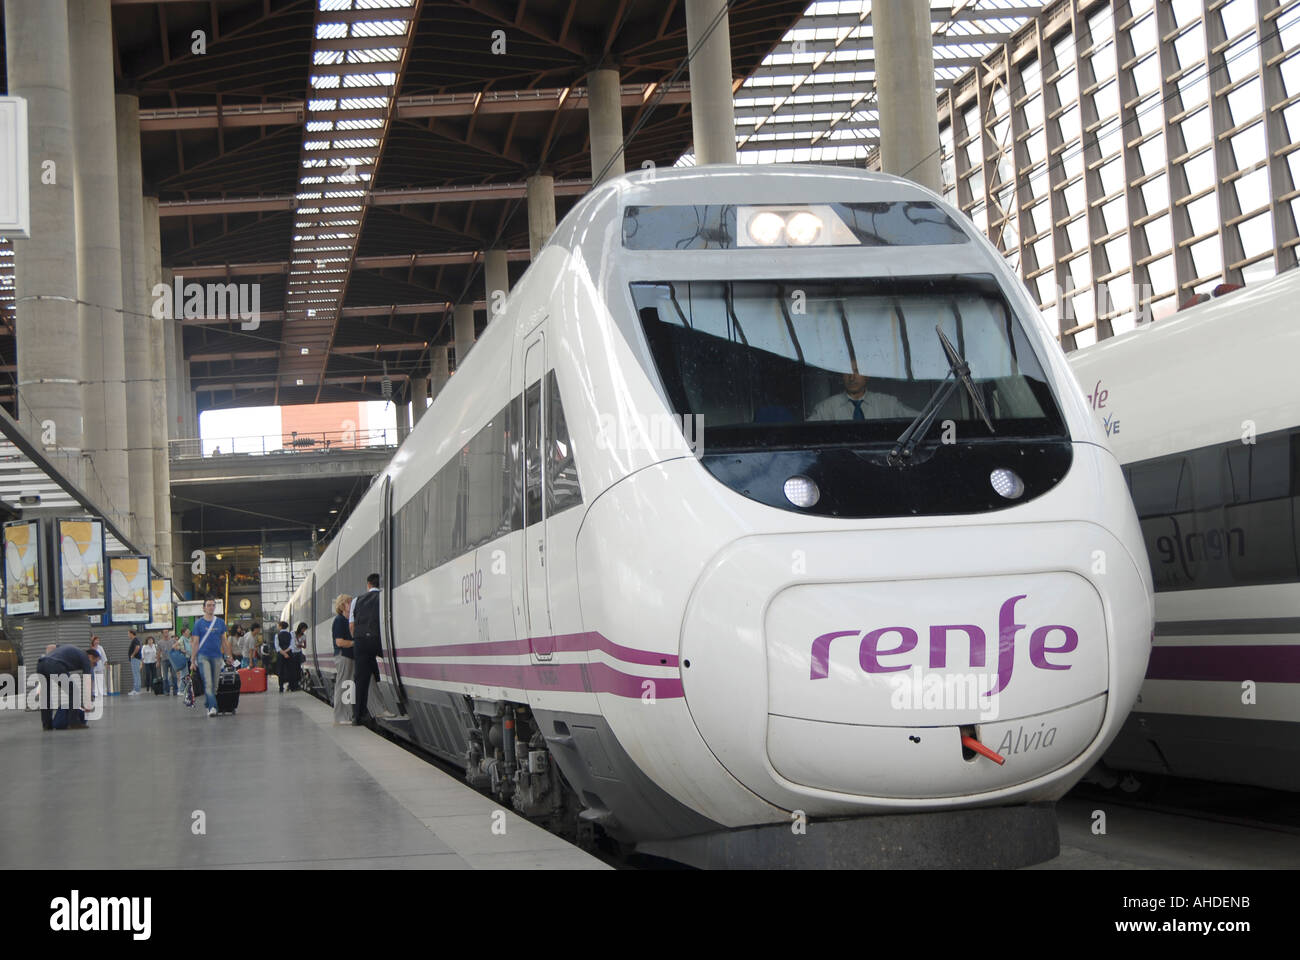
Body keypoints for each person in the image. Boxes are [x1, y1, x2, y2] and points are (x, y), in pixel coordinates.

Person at [808, 368, 916, 422]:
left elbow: (922, 422)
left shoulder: (888, 403)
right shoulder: (826, 408)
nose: (852, 377)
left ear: (867, 375)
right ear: (842, 376)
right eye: (847, 372)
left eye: (857, 371)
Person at [35, 644, 97, 730]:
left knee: (46, 696)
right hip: (55, 665)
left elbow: (50, 647)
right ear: (90, 656)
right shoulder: (85, 659)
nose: (94, 665)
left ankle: (47, 725)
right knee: (74, 692)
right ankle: (74, 723)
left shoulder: (75, 650)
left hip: (41, 664)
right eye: (95, 662)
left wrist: (49, 659)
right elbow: (87, 682)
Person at [350, 573, 382, 726]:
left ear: (368, 584)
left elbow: (352, 625)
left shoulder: (357, 600)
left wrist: (357, 638)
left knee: (360, 680)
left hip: (361, 641)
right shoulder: (383, 598)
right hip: (379, 640)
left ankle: (358, 715)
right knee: (377, 672)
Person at [189, 598, 230, 718]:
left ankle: (208, 703)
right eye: (209, 605)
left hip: (217, 656)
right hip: (203, 657)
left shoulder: (220, 622)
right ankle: (213, 707)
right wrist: (192, 660)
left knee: (215, 686)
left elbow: (224, 640)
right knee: (208, 683)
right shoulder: (198, 624)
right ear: (204, 608)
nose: (211, 607)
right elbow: (195, 642)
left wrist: (228, 656)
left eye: (213, 605)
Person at [330, 594, 355, 724]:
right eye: (349, 603)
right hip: (343, 655)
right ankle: (340, 717)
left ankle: (347, 715)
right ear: (342, 605)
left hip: (349, 656)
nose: (351, 605)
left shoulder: (346, 620)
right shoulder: (339, 620)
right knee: (343, 685)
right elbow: (339, 642)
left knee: (348, 685)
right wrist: (355, 643)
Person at [275, 621, 295, 693]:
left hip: (281, 655)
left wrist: (283, 653)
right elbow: (292, 645)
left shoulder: (277, 635)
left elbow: (277, 647)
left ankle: (281, 687)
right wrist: (286, 652)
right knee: (290, 670)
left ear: (280, 626)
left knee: (281, 670)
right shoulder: (290, 634)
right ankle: (291, 686)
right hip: (289, 654)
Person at [126, 628, 143, 696]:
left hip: (135, 659)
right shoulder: (135, 640)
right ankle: (136, 689)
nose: (128, 635)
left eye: (128, 634)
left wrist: (132, 655)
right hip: (136, 659)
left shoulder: (135, 640)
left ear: (131, 634)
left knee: (136, 675)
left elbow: (137, 647)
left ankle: (136, 690)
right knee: (136, 674)